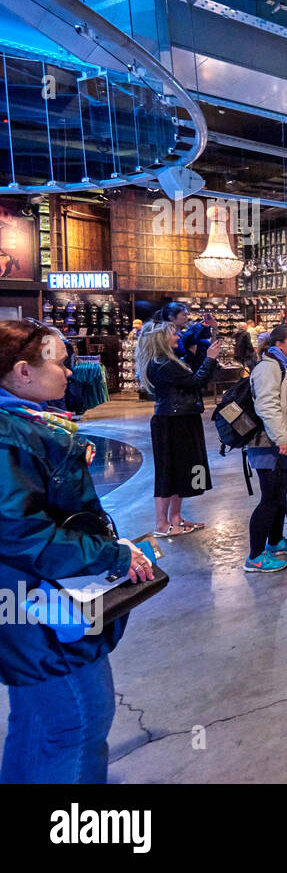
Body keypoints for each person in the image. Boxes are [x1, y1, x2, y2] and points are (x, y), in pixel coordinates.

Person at [0, 319, 154, 783]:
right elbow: (22, 533)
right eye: (61, 364)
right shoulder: (12, 435)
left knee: (35, 722)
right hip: (42, 607)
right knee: (79, 723)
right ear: (24, 372)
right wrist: (114, 557)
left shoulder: (26, 425)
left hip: (27, 607)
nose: (71, 373)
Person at [136, 320, 223, 536]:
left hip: (181, 417)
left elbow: (190, 368)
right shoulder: (163, 363)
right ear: (162, 339)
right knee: (168, 472)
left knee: (182, 470)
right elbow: (195, 382)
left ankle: (175, 519)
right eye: (174, 334)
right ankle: (161, 524)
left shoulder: (168, 360)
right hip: (172, 421)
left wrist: (206, 331)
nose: (178, 337)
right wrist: (210, 359)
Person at [244, 325, 287, 573]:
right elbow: (267, 406)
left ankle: (275, 542)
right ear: (279, 344)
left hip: (286, 443)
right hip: (268, 445)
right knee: (270, 499)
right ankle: (254, 556)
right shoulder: (268, 368)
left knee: (280, 496)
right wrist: (282, 438)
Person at [156, 302, 214, 372]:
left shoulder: (184, 333)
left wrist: (213, 327)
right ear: (171, 317)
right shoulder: (165, 336)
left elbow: (209, 345)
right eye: (184, 315)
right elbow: (183, 353)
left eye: (187, 315)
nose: (187, 318)